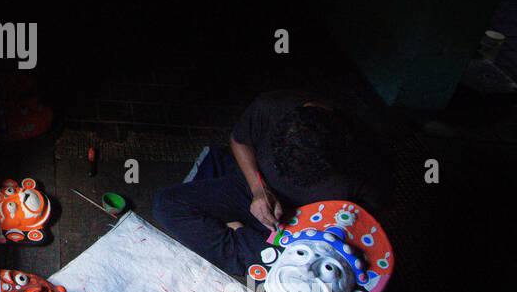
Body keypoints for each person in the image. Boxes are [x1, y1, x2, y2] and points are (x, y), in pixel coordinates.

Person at [152, 90, 391, 278]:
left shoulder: (366, 157)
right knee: (167, 205)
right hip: (250, 188)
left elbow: (364, 221)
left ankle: (256, 249)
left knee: (339, 274)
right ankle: (265, 255)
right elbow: (239, 141)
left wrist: (315, 232)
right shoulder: (272, 107)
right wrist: (259, 189)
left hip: (311, 222)